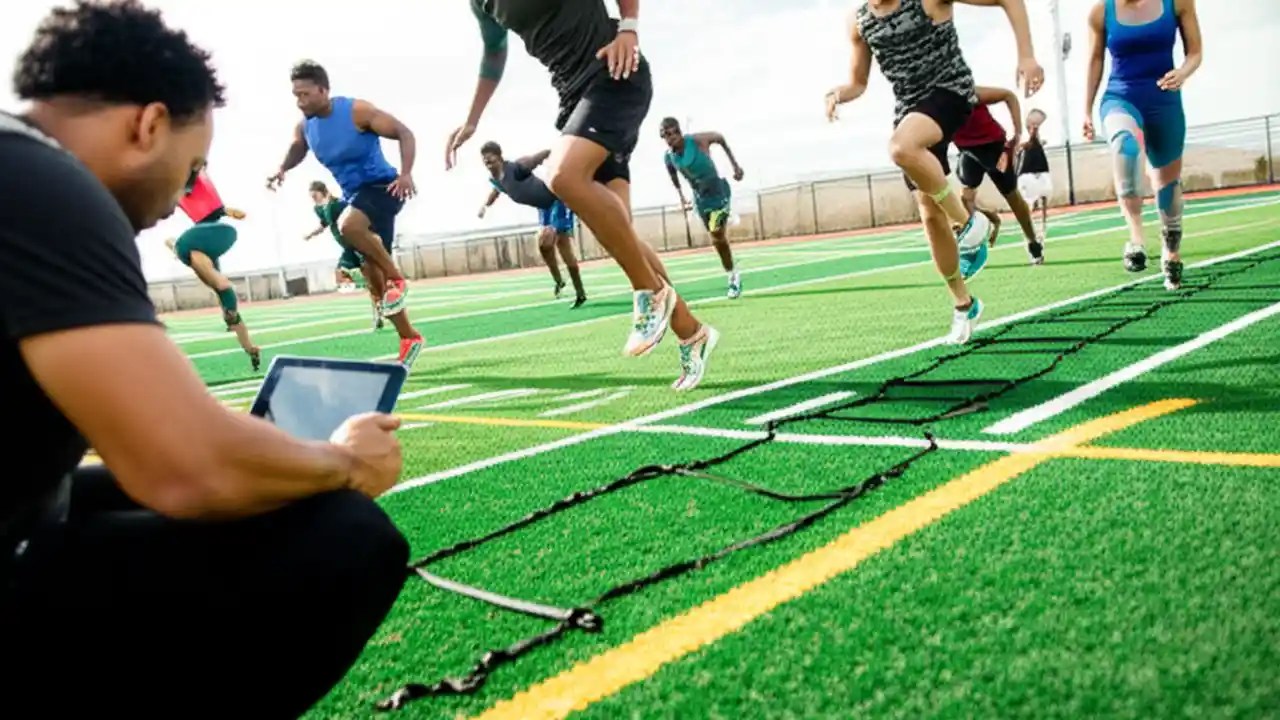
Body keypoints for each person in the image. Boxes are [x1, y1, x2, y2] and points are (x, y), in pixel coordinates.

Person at [0, 2, 409, 715]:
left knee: (113, 485)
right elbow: (188, 467)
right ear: (148, 125)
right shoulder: (48, 188)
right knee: (350, 535)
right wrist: (343, 463)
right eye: (190, 167)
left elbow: (138, 450)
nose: (179, 198)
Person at [446, 0, 720, 392]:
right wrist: (472, 119)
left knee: (563, 175)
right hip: (574, 97)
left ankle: (651, 293)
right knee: (619, 233)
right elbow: (493, 51)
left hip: (614, 73)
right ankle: (692, 334)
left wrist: (629, 28)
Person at [825, 0, 1044, 344]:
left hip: (952, 92)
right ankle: (963, 304)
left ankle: (969, 223)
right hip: (910, 110)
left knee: (901, 147)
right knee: (928, 214)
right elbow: (859, 82)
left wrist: (1027, 56)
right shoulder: (860, 21)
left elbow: (1009, 1)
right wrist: (841, 93)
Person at [267, 60, 424, 366]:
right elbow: (299, 147)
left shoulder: (356, 111)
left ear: (323, 90)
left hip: (384, 187)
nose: (300, 101)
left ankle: (398, 278)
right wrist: (282, 168)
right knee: (375, 282)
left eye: (305, 94)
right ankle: (409, 336)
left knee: (348, 226)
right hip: (356, 196)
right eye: (295, 95)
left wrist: (406, 173)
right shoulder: (306, 126)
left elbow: (405, 133)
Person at [1083, 0, 1201, 290]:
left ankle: (1171, 249)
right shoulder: (1101, 12)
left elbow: (1195, 52)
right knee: (1126, 148)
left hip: (1164, 99)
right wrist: (1086, 110)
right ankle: (1136, 239)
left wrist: (1183, 72)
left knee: (1166, 182)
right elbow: (1095, 59)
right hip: (1120, 95)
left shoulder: (1178, 3)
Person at [164, 170, 263, 369]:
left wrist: (226, 210)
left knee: (215, 280)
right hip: (210, 234)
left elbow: (223, 286)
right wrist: (250, 349)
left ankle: (174, 246)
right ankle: (249, 349)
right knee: (218, 286)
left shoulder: (191, 252)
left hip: (202, 236)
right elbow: (238, 327)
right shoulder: (205, 261)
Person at [478, 141, 588, 307]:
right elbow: (496, 192)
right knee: (545, 246)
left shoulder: (517, 168)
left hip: (556, 201)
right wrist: (485, 206)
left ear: (500, 157)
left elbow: (543, 154)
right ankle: (560, 281)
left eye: (491, 159)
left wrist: (558, 164)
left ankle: (580, 293)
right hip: (543, 208)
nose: (488, 163)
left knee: (553, 241)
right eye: (485, 161)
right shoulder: (497, 180)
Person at [952, 86, 1045, 265]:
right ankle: (984, 227)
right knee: (964, 200)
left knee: (1012, 197)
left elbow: (1008, 96)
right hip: (967, 151)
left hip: (993, 148)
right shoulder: (934, 106)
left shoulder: (970, 93)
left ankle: (1032, 241)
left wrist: (1017, 133)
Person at [659, 117, 745, 299]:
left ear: (678, 132)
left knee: (716, 234)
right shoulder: (669, 157)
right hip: (700, 198)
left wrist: (735, 166)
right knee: (717, 240)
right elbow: (673, 176)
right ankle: (732, 270)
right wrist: (682, 197)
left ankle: (733, 278)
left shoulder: (697, 141)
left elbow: (720, 138)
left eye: (670, 133)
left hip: (718, 192)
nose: (668, 138)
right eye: (664, 136)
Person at [305, 181, 384, 328]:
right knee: (368, 281)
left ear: (323, 192)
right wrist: (311, 234)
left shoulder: (338, 204)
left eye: (315, 195)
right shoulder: (320, 209)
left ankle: (380, 304)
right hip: (347, 246)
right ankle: (378, 309)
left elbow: (355, 217)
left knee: (363, 277)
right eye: (312, 197)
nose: (314, 199)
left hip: (355, 244)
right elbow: (324, 224)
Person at [1016, 108, 1053, 240]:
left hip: (1040, 169)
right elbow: (1021, 145)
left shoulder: (1036, 136)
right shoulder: (1023, 136)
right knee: (1028, 204)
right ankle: (1030, 228)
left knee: (1043, 199)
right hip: (1027, 173)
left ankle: (1043, 226)